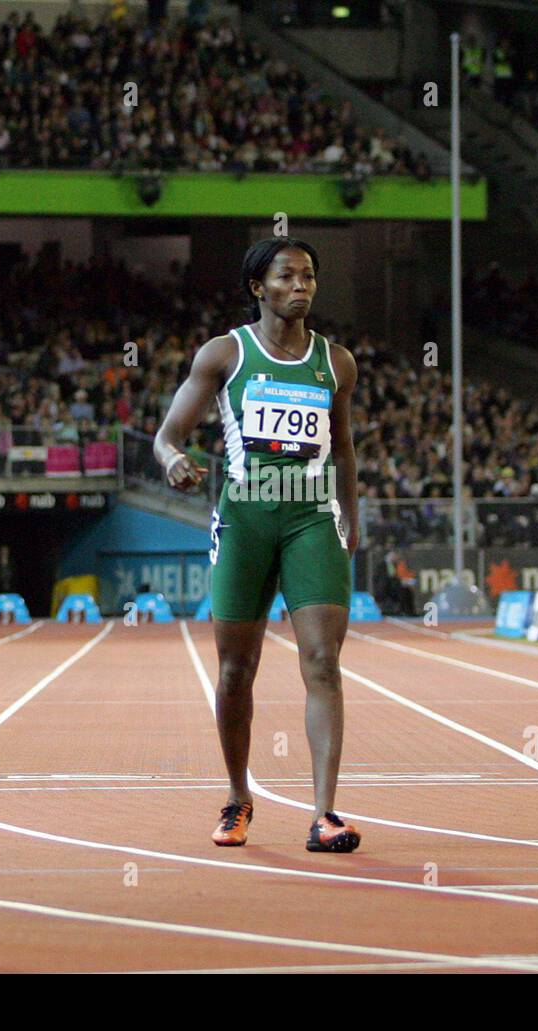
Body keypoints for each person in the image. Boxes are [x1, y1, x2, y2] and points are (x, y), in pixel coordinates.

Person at [154, 237, 362, 853]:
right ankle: (238, 796)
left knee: (322, 661)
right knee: (235, 670)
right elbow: (167, 435)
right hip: (245, 519)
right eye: (287, 276)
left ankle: (324, 815)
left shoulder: (336, 362)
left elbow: (344, 448)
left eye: (309, 277)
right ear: (257, 288)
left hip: (311, 519)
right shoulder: (225, 354)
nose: (300, 286)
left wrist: (352, 518)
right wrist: (172, 460)